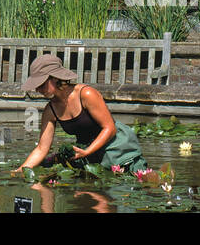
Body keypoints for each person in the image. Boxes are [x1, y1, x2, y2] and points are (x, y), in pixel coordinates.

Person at [11, 54, 146, 176]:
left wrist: (87, 152)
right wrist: (21, 170)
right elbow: (41, 148)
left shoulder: (86, 94)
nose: (37, 89)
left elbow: (109, 128)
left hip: (116, 147)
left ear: (55, 78)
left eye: (41, 84)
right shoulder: (50, 110)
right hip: (86, 151)